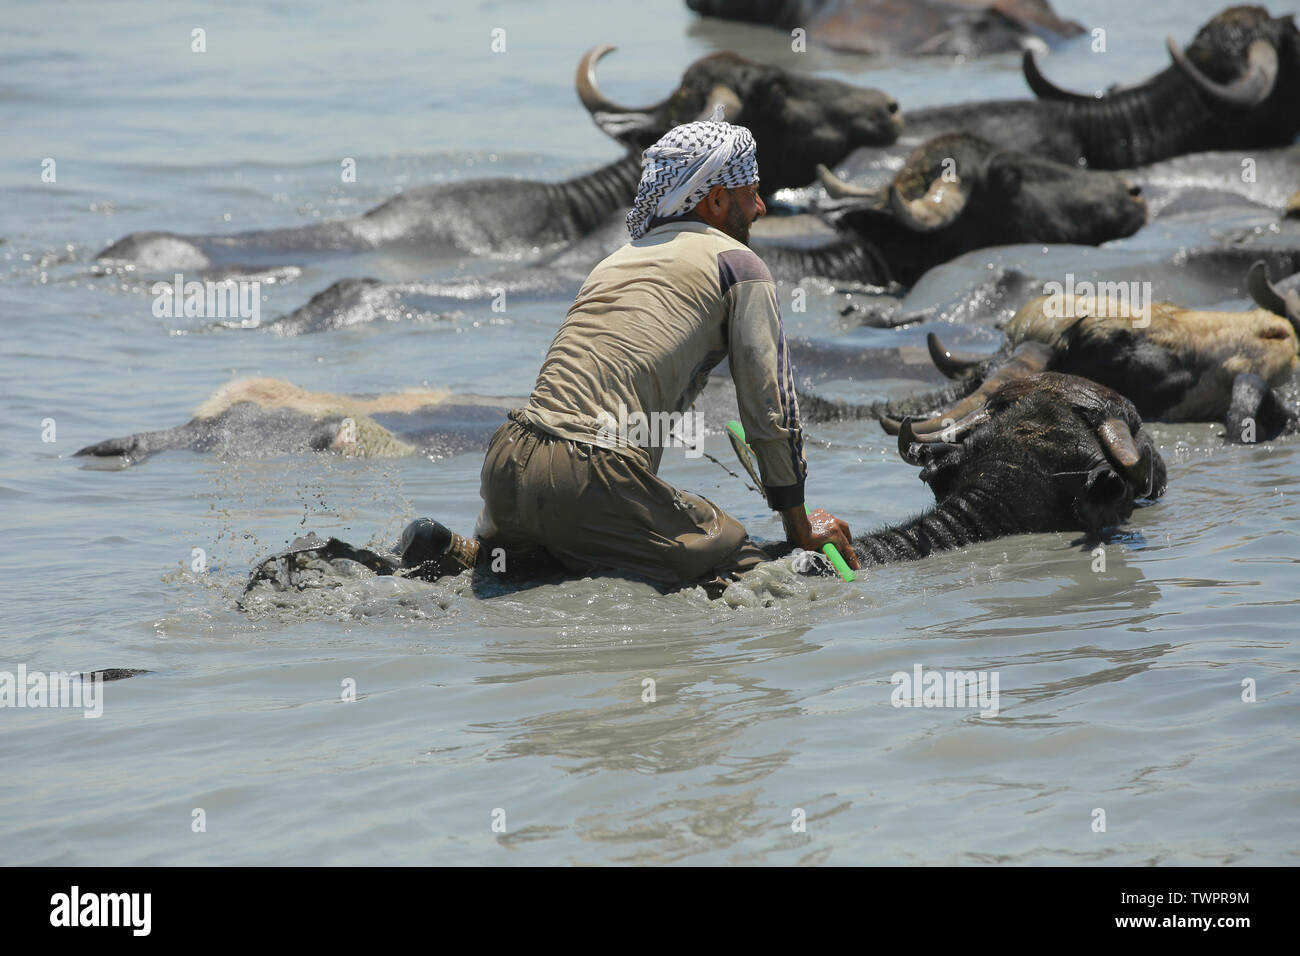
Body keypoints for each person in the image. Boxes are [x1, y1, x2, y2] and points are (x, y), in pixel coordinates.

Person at [404, 117, 858, 592]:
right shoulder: (737, 263)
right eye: (752, 192)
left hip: (508, 461)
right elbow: (771, 408)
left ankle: (464, 553)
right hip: (591, 473)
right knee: (751, 567)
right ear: (717, 199)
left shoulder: (617, 259)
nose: (762, 207)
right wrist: (801, 529)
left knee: (543, 564)